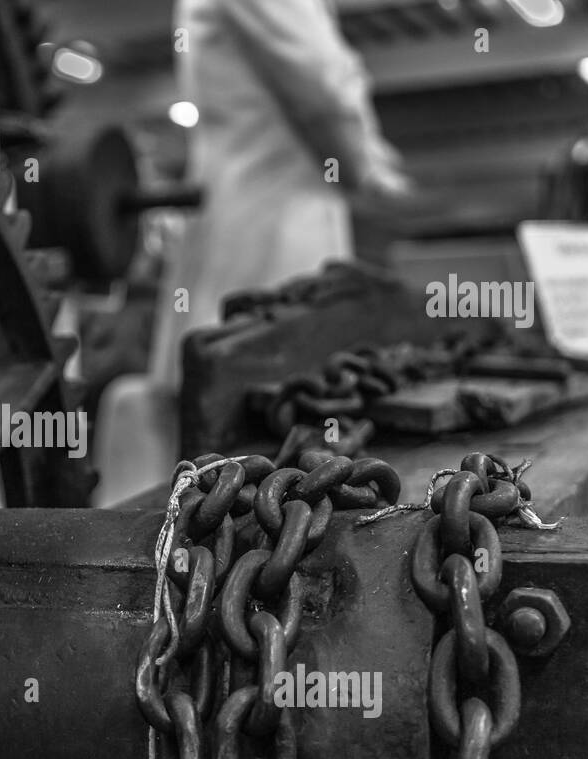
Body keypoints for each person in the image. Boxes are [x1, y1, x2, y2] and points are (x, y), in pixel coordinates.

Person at [94, 0, 411, 505]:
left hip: (244, 217)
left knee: (239, 409)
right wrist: (368, 168)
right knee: (267, 408)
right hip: (273, 230)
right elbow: (322, 90)